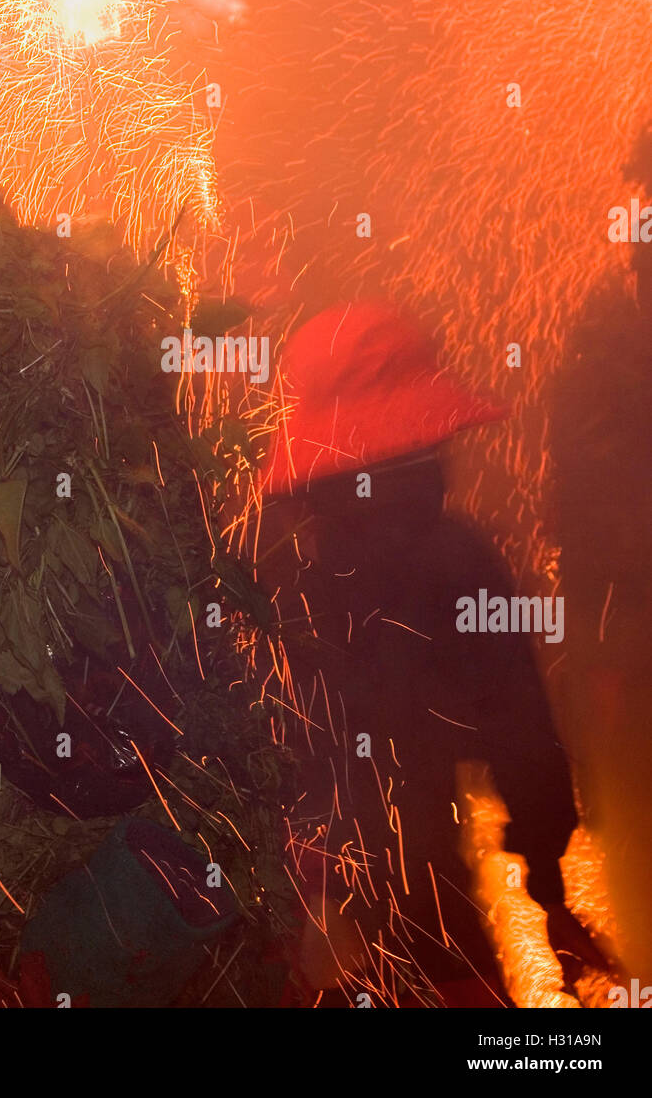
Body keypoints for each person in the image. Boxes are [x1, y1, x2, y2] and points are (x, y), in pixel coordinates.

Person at [254, 300, 587, 1003]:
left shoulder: (276, 568)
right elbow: (523, 737)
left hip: (289, 911)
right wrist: (549, 884)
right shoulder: (456, 560)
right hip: (430, 911)